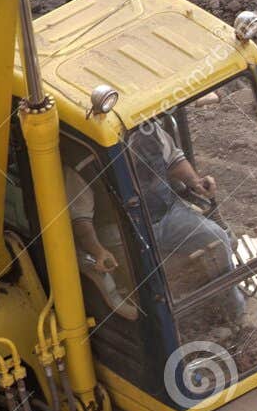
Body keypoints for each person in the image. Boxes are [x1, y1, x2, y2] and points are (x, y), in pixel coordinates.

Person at [65, 115, 244, 318]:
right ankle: (169, 326)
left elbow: (174, 160)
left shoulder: (147, 131)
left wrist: (195, 182)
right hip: (121, 230)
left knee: (216, 237)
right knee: (148, 280)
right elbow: (81, 218)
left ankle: (233, 310)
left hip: (166, 213)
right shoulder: (83, 158)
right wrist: (98, 251)